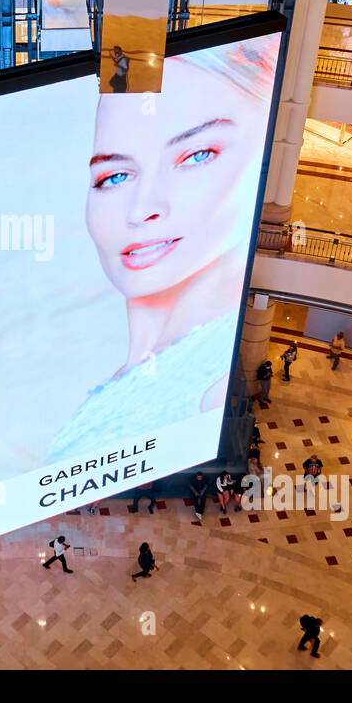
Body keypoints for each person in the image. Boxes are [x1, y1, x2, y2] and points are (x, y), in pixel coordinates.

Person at [44, 38, 279, 463]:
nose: (143, 208)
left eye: (197, 154)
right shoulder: (149, 374)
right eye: (114, 177)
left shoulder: (210, 390)